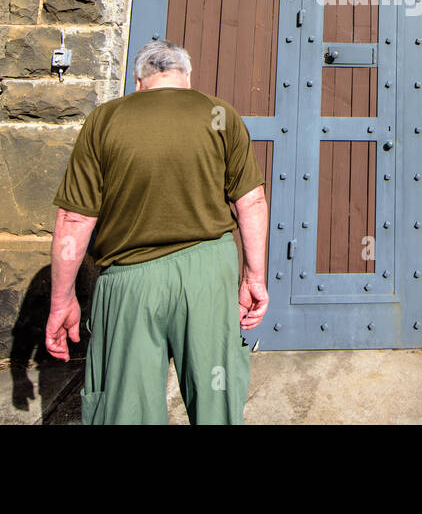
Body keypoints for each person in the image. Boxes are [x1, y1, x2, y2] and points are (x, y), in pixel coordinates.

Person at [44, 38, 269, 424]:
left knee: (126, 408)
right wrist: (254, 277)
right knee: (217, 400)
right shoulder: (219, 114)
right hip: (207, 278)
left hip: (130, 282)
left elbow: (74, 220)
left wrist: (62, 300)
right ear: (187, 76)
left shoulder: (105, 119)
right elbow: (251, 202)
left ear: (138, 80)